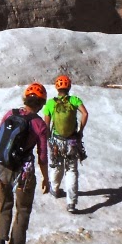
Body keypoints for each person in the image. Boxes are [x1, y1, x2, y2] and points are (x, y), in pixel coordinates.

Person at [0, 83, 50, 244]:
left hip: (3, 166)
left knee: (4, 204)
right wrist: (46, 178)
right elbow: (42, 155)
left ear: (25, 99)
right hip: (24, 171)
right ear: (41, 103)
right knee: (23, 208)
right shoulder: (39, 124)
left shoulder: (11, 114)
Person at [44, 74, 88, 213]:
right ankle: (71, 203)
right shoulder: (74, 100)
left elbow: (46, 124)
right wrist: (80, 131)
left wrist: (48, 139)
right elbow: (85, 114)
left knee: (57, 166)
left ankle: (55, 189)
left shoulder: (51, 103)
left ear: (57, 88)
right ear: (69, 87)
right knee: (72, 170)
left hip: (57, 141)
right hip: (72, 141)